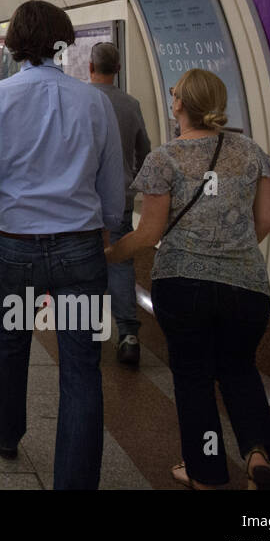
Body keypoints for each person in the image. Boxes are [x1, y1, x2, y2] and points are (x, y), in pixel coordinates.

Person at [0, 0, 124, 490]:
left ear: (12, 43)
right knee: (81, 367)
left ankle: (4, 431)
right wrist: (103, 230)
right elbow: (112, 193)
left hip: (16, 248)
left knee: (10, 340)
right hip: (80, 249)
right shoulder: (95, 101)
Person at [106, 68, 270, 490]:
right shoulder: (252, 152)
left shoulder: (163, 159)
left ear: (180, 104)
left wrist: (111, 254)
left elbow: (148, 234)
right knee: (240, 368)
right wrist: (232, 253)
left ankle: (205, 473)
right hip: (247, 289)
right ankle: (257, 456)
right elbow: (269, 219)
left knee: (193, 377)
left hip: (184, 286)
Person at [87, 42, 151, 366]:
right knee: (121, 263)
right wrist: (131, 180)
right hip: (120, 197)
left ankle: (85, 330)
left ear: (89, 67)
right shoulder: (131, 104)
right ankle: (128, 335)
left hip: (82, 200)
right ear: (119, 69)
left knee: (84, 262)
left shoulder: (78, 101)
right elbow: (145, 151)